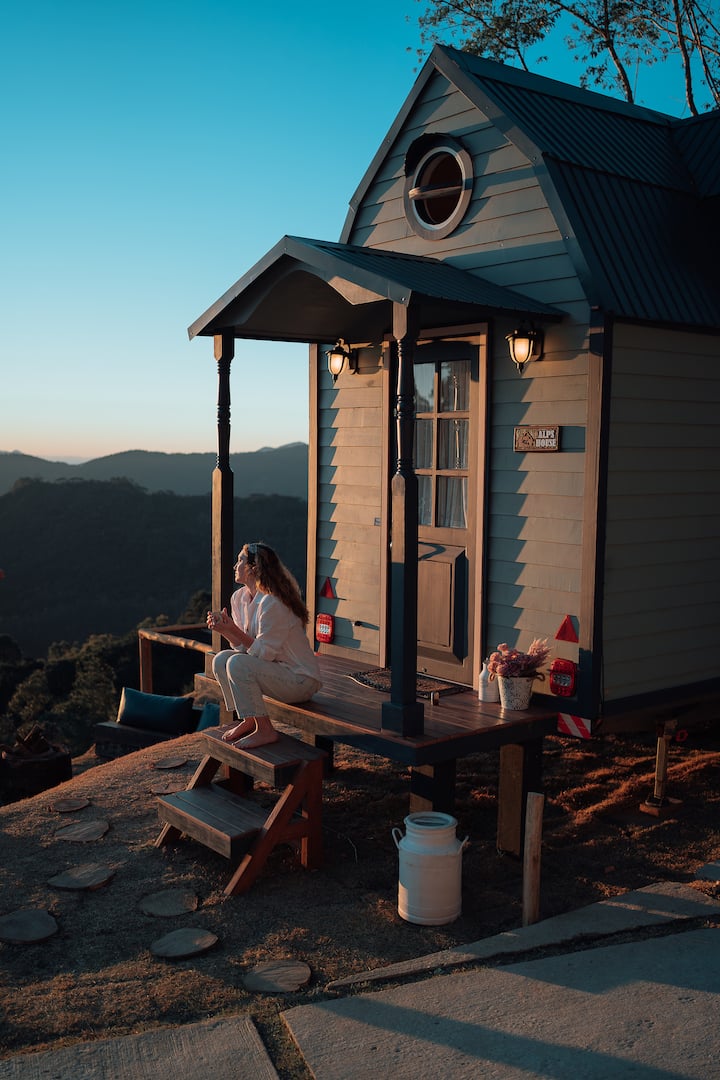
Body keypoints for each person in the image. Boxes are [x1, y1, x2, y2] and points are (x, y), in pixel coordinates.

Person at [207, 542, 322, 748]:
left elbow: (263, 654)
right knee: (221, 660)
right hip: (274, 673)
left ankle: (265, 730)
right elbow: (243, 650)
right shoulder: (239, 598)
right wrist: (226, 630)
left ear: (254, 568)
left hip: (300, 680)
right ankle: (249, 719)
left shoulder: (273, 603)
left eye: (240, 560)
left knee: (236, 664)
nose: (235, 566)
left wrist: (233, 630)